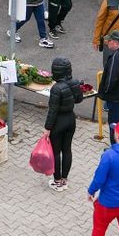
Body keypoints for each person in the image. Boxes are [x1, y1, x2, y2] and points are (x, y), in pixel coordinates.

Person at [43, 57, 83, 191]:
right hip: (71, 119)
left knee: (56, 152)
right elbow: (78, 99)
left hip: (58, 122)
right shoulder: (75, 82)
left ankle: (57, 181)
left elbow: (52, 111)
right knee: (67, 149)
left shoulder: (56, 88)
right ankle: (65, 180)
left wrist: (47, 128)